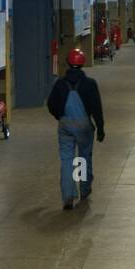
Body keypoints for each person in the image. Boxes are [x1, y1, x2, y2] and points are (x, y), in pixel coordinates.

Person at [46, 48, 105, 210]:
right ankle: (84, 189)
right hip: (84, 125)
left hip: (65, 125)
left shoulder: (59, 83)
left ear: (69, 63)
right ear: (83, 63)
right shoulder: (90, 84)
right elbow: (96, 107)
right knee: (83, 158)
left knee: (67, 160)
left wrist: (60, 116)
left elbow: (51, 104)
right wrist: (100, 128)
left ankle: (68, 196)